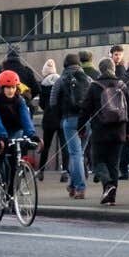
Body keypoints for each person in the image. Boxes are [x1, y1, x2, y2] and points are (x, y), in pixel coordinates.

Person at [81, 56, 129, 205]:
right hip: (120, 130)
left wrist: (80, 127)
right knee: (113, 164)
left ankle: (108, 185)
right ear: (113, 68)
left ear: (100, 69)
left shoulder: (94, 86)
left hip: (100, 130)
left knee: (97, 161)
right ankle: (111, 197)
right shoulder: (122, 85)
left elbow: (85, 109)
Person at [0, 70, 38, 194]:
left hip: (13, 131)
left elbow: (25, 118)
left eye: (13, 87)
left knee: (14, 163)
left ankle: (10, 195)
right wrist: (2, 134)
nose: (11, 90)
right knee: (3, 147)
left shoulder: (20, 101)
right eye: (7, 88)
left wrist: (32, 134)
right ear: (2, 88)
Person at [52, 52, 89, 199]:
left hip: (70, 120)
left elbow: (53, 102)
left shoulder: (60, 80)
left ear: (65, 65)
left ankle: (80, 188)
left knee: (75, 154)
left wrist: (60, 119)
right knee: (79, 154)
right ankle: (73, 186)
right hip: (87, 120)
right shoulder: (88, 79)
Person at [38, 58, 68, 180]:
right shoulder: (62, 81)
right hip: (61, 118)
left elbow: (41, 104)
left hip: (48, 119)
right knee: (64, 146)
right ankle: (65, 172)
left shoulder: (43, 85)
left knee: (46, 146)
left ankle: (41, 171)